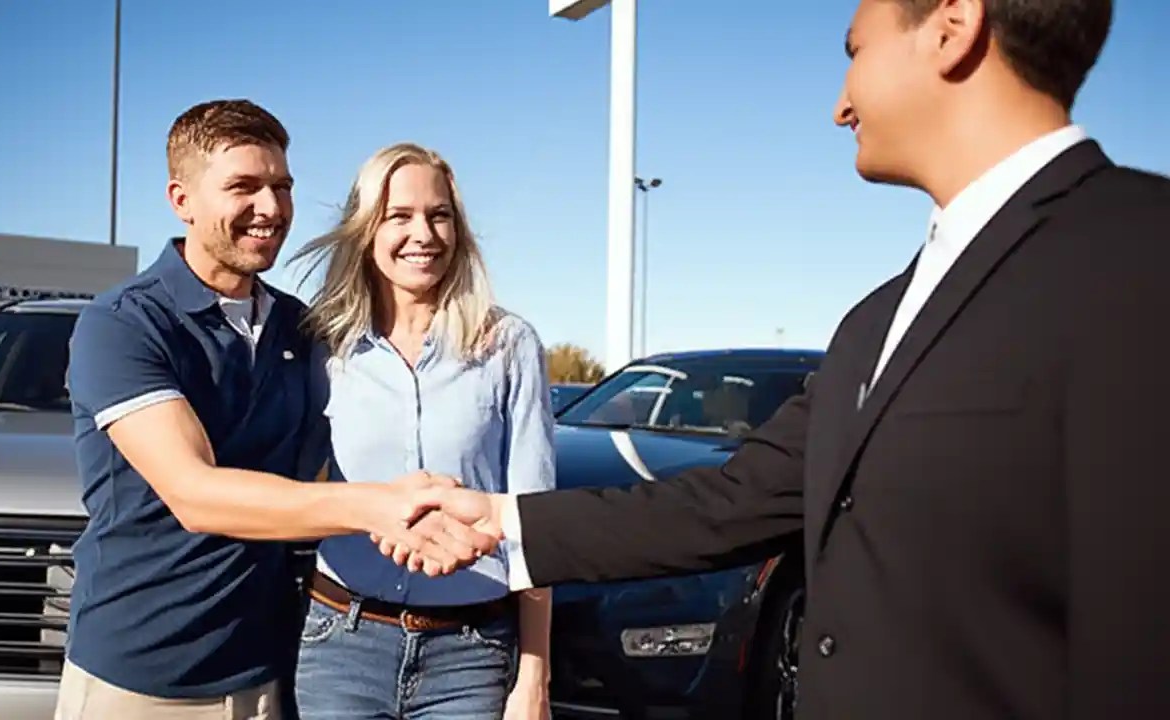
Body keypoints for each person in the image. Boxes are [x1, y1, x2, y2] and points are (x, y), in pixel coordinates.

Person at [387, 1, 1170, 718]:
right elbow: (731, 500)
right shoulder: (877, 320)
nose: (840, 105)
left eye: (854, 50)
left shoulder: (1142, 258)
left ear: (952, 26)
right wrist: (500, 519)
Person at [59, 101, 496, 720]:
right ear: (181, 199)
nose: (270, 208)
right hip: (143, 676)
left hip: (272, 670)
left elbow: (331, 463)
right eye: (243, 186)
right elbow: (196, 494)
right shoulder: (124, 325)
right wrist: (380, 506)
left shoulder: (301, 326)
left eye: (281, 187)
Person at [286, 142, 556, 720]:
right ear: (365, 230)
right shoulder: (324, 349)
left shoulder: (509, 346)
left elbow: (534, 524)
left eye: (439, 215)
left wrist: (534, 678)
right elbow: (298, 491)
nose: (424, 234)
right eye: (399, 216)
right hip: (341, 647)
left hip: (471, 657)